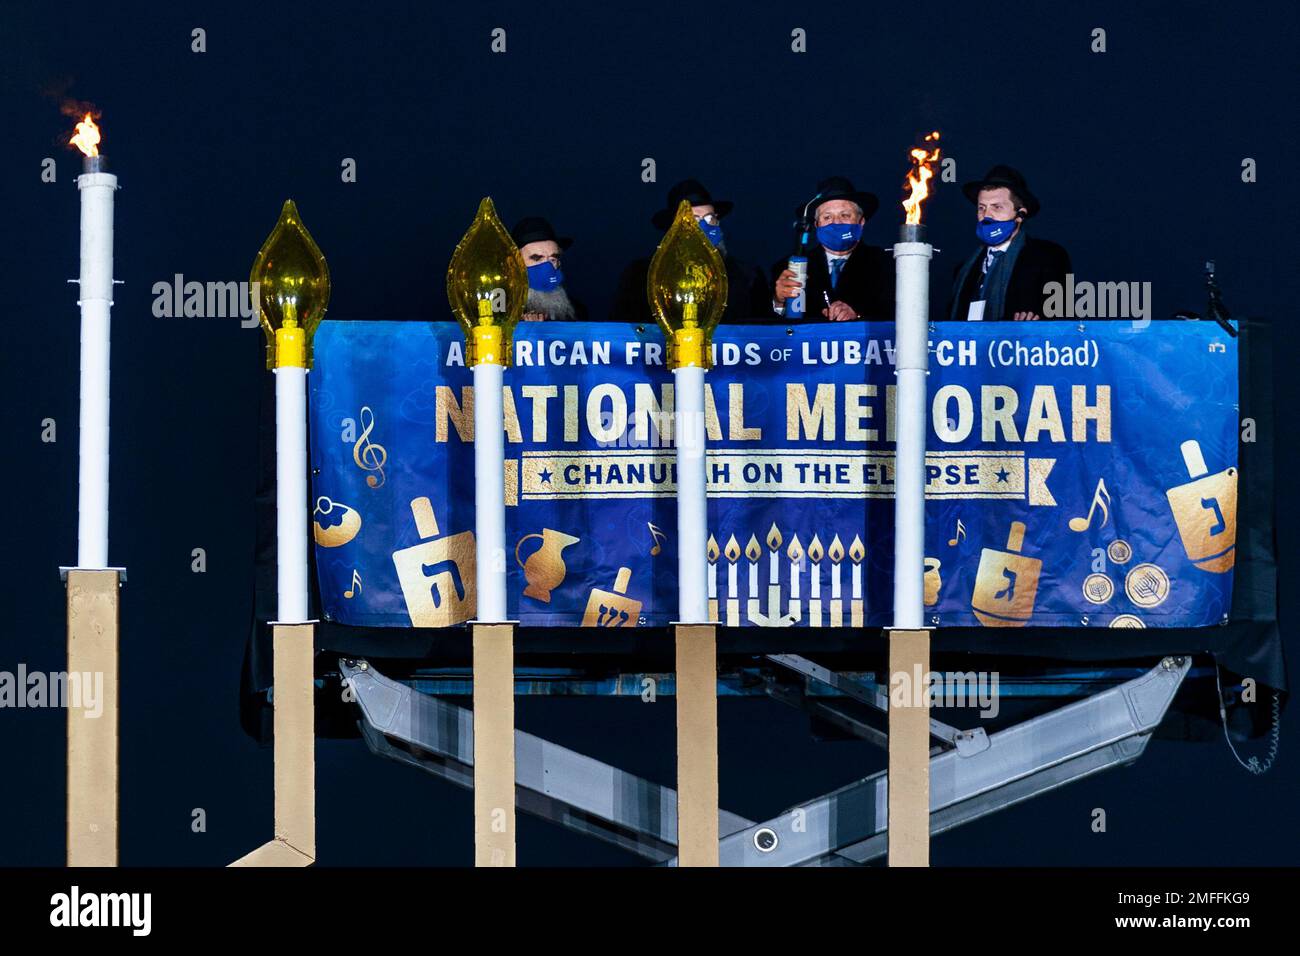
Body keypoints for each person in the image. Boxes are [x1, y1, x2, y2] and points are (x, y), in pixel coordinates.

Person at [610, 178, 772, 323]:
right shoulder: (642, 275)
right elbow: (622, 332)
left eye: (710, 218)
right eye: (693, 220)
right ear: (672, 229)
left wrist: (779, 303)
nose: (704, 227)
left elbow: (767, 331)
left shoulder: (748, 275)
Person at [946, 165, 1070, 322]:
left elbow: (1063, 321)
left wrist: (1034, 325)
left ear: (1020, 215)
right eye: (981, 208)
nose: (986, 216)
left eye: (997, 207)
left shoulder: (1048, 258)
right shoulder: (964, 270)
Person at [771, 176, 894, 322]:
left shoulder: (887, 264)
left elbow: (901, 313)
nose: (836, 223)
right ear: (817, 224)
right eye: (827, 217)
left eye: (845, 215)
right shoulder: (789, 268)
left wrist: (858, 315)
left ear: (861, 222)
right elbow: (760, 326)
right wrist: (779, 302)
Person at [511, 216, 588, 321]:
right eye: (537, 258)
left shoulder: (577, 312)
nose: (547, 267)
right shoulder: (500, 310)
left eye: (553, 259)